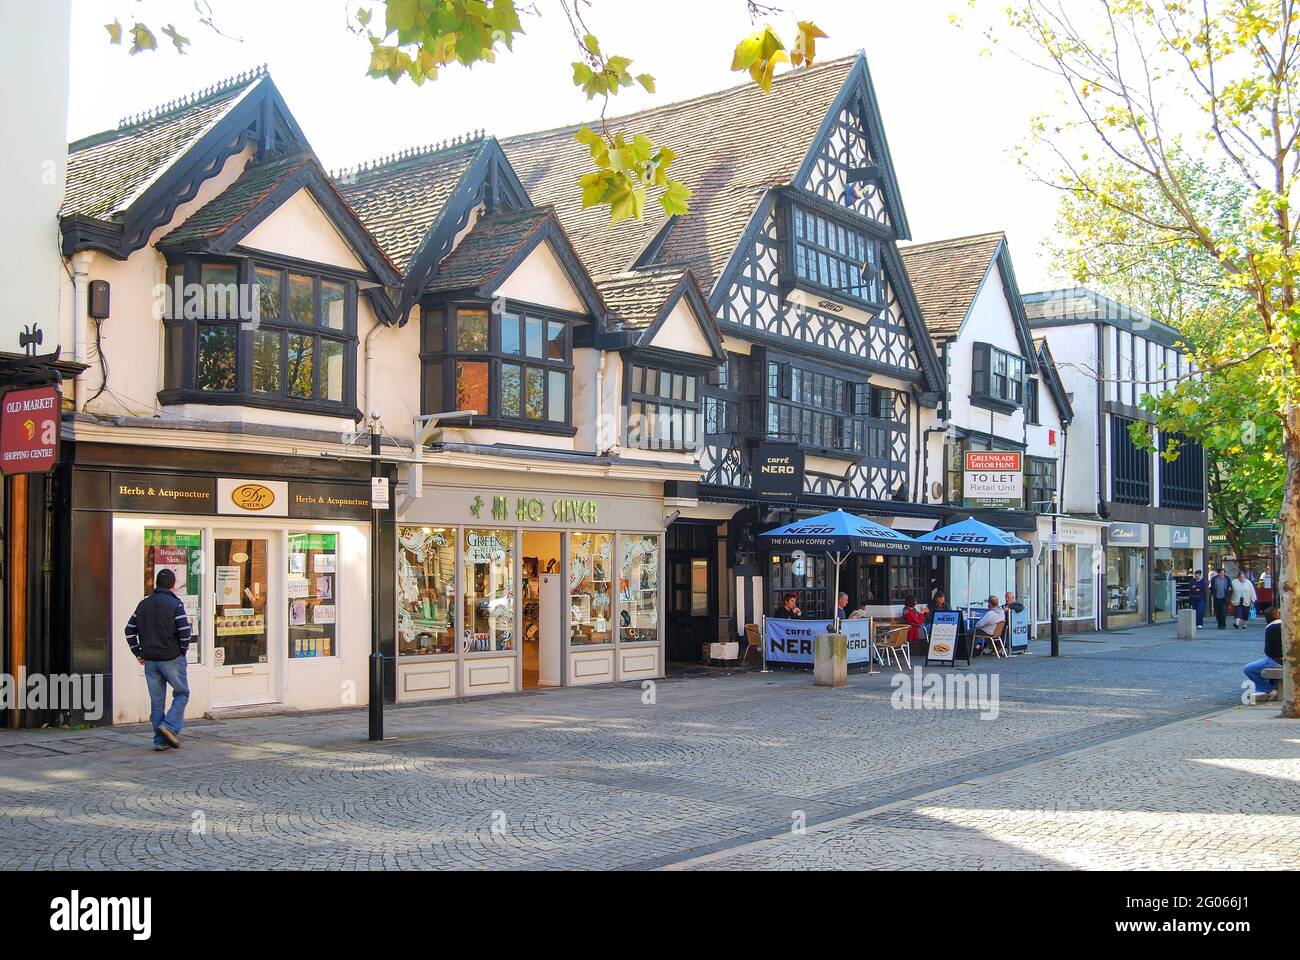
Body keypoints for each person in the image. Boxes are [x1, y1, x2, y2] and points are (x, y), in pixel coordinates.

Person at [125, 568, 193, 751]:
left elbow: (129, 630)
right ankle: (169, 727)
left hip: (151, 661)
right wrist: (182, 651)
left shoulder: (143, 604)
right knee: (182, 693)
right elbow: (185, 633)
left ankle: (160, 741)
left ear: (156, 584)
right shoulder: (175, 605)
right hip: (172, 658)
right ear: (172, 585)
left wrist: (138, 652)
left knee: (157, 702)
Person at [1243, 607, 1283, 701]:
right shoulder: (1286, 625)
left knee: (1248, 669)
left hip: (1277, 660)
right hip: (1288, 659)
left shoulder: (1270, 628)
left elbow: (1269, 651)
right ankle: (1264, 690)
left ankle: (1269, 689)